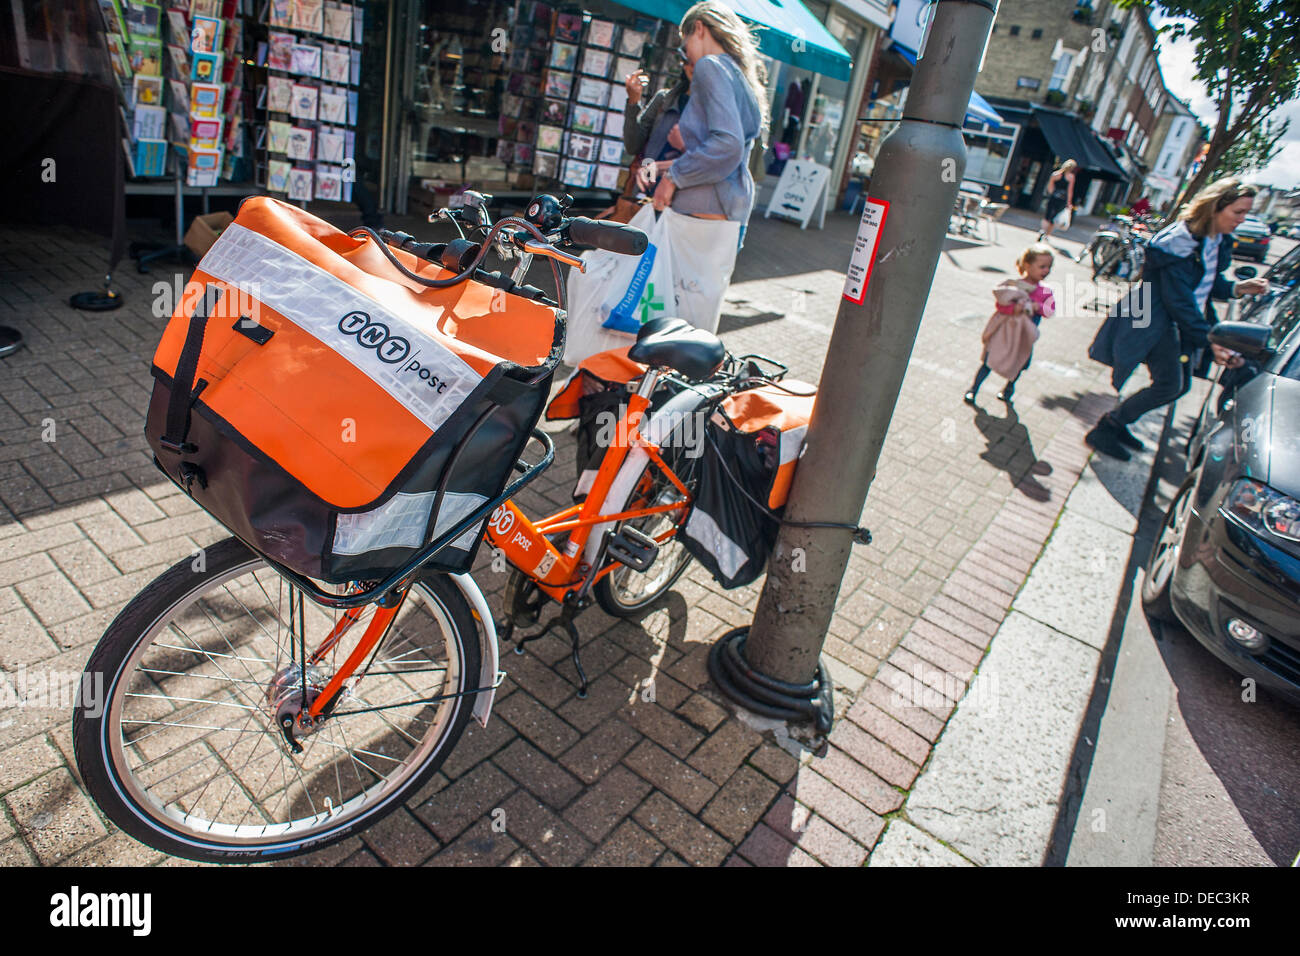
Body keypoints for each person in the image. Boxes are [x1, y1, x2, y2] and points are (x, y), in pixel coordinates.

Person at [1085, 176, 1270, 460]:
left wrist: (1236, 288)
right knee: (1171, 385)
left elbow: (1204, 284)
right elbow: (1178, 299)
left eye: (1246, 213)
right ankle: (1107, 427)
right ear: (1215, 208)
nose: (1242, 220)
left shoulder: (1211, 240)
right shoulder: (1179, 243)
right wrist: (1211, 341)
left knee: (1178, 385)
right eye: (1238, 212)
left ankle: (1116, 422)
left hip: (1178, 322)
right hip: (1158, 320)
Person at [651, 0, 766, 253]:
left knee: (671, 290)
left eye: (685, 45)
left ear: (700, 29)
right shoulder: (740, 75)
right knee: (701, 292)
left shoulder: (709, 66)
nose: (687, 55)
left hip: (703, 206)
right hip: (730, 208)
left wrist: (672, 178)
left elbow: (727, 144)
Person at [965, 243, 1057, 406]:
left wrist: (1037, 306)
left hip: (1023, 337)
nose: (1046, 270)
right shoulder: (1013, 285)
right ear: (1027, 265)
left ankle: (1008, 388)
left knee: (1020, 363)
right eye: (1042, 266)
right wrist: (1015, 308)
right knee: (988, 360)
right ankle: (973, 389)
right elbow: (1001, 304)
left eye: (1049, 267)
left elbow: (1050, 311)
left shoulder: (1045, 291)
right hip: (1004, 333)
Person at [1039, 159, 1077, 241]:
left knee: (1047, 216)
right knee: (1054, 218)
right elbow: (1070, 191)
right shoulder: (1071, 177)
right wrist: (1069, 203)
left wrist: (1053, 194)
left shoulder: (1055, 174)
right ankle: (1047, 235)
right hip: (1062, 199)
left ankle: (1042, 230)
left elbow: (1050, 188)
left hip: (1053, 197)